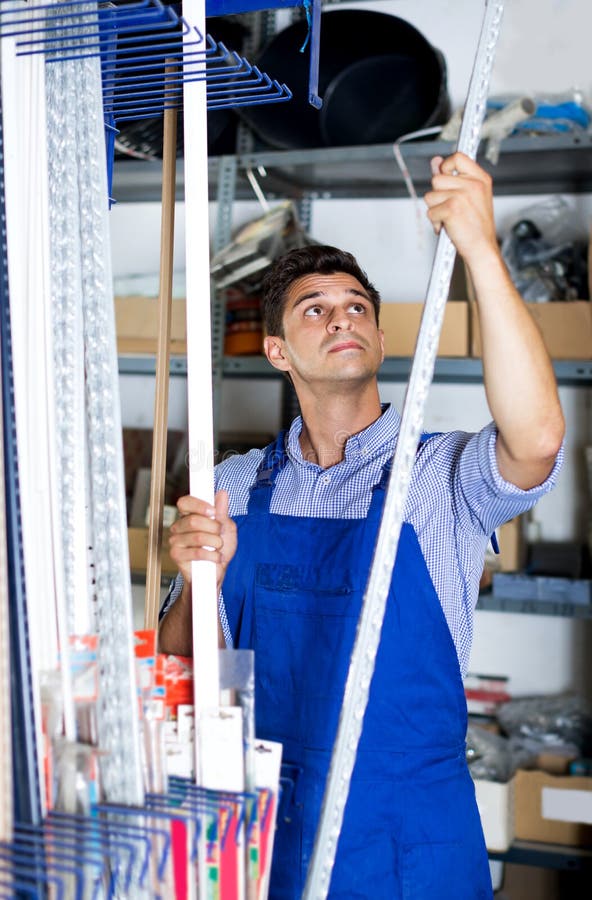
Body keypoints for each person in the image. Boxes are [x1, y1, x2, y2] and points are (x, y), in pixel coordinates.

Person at [159, 153, 565, 899]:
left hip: (410, 840)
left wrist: (479, 246)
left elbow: (537, 440)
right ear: (277, 352)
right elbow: (181, 665)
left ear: (377, 340)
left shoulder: (439, 477)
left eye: (356, 306)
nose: (341, 316)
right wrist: (193, 577)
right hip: (265, 832)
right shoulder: (232, 486)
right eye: (314, 307)